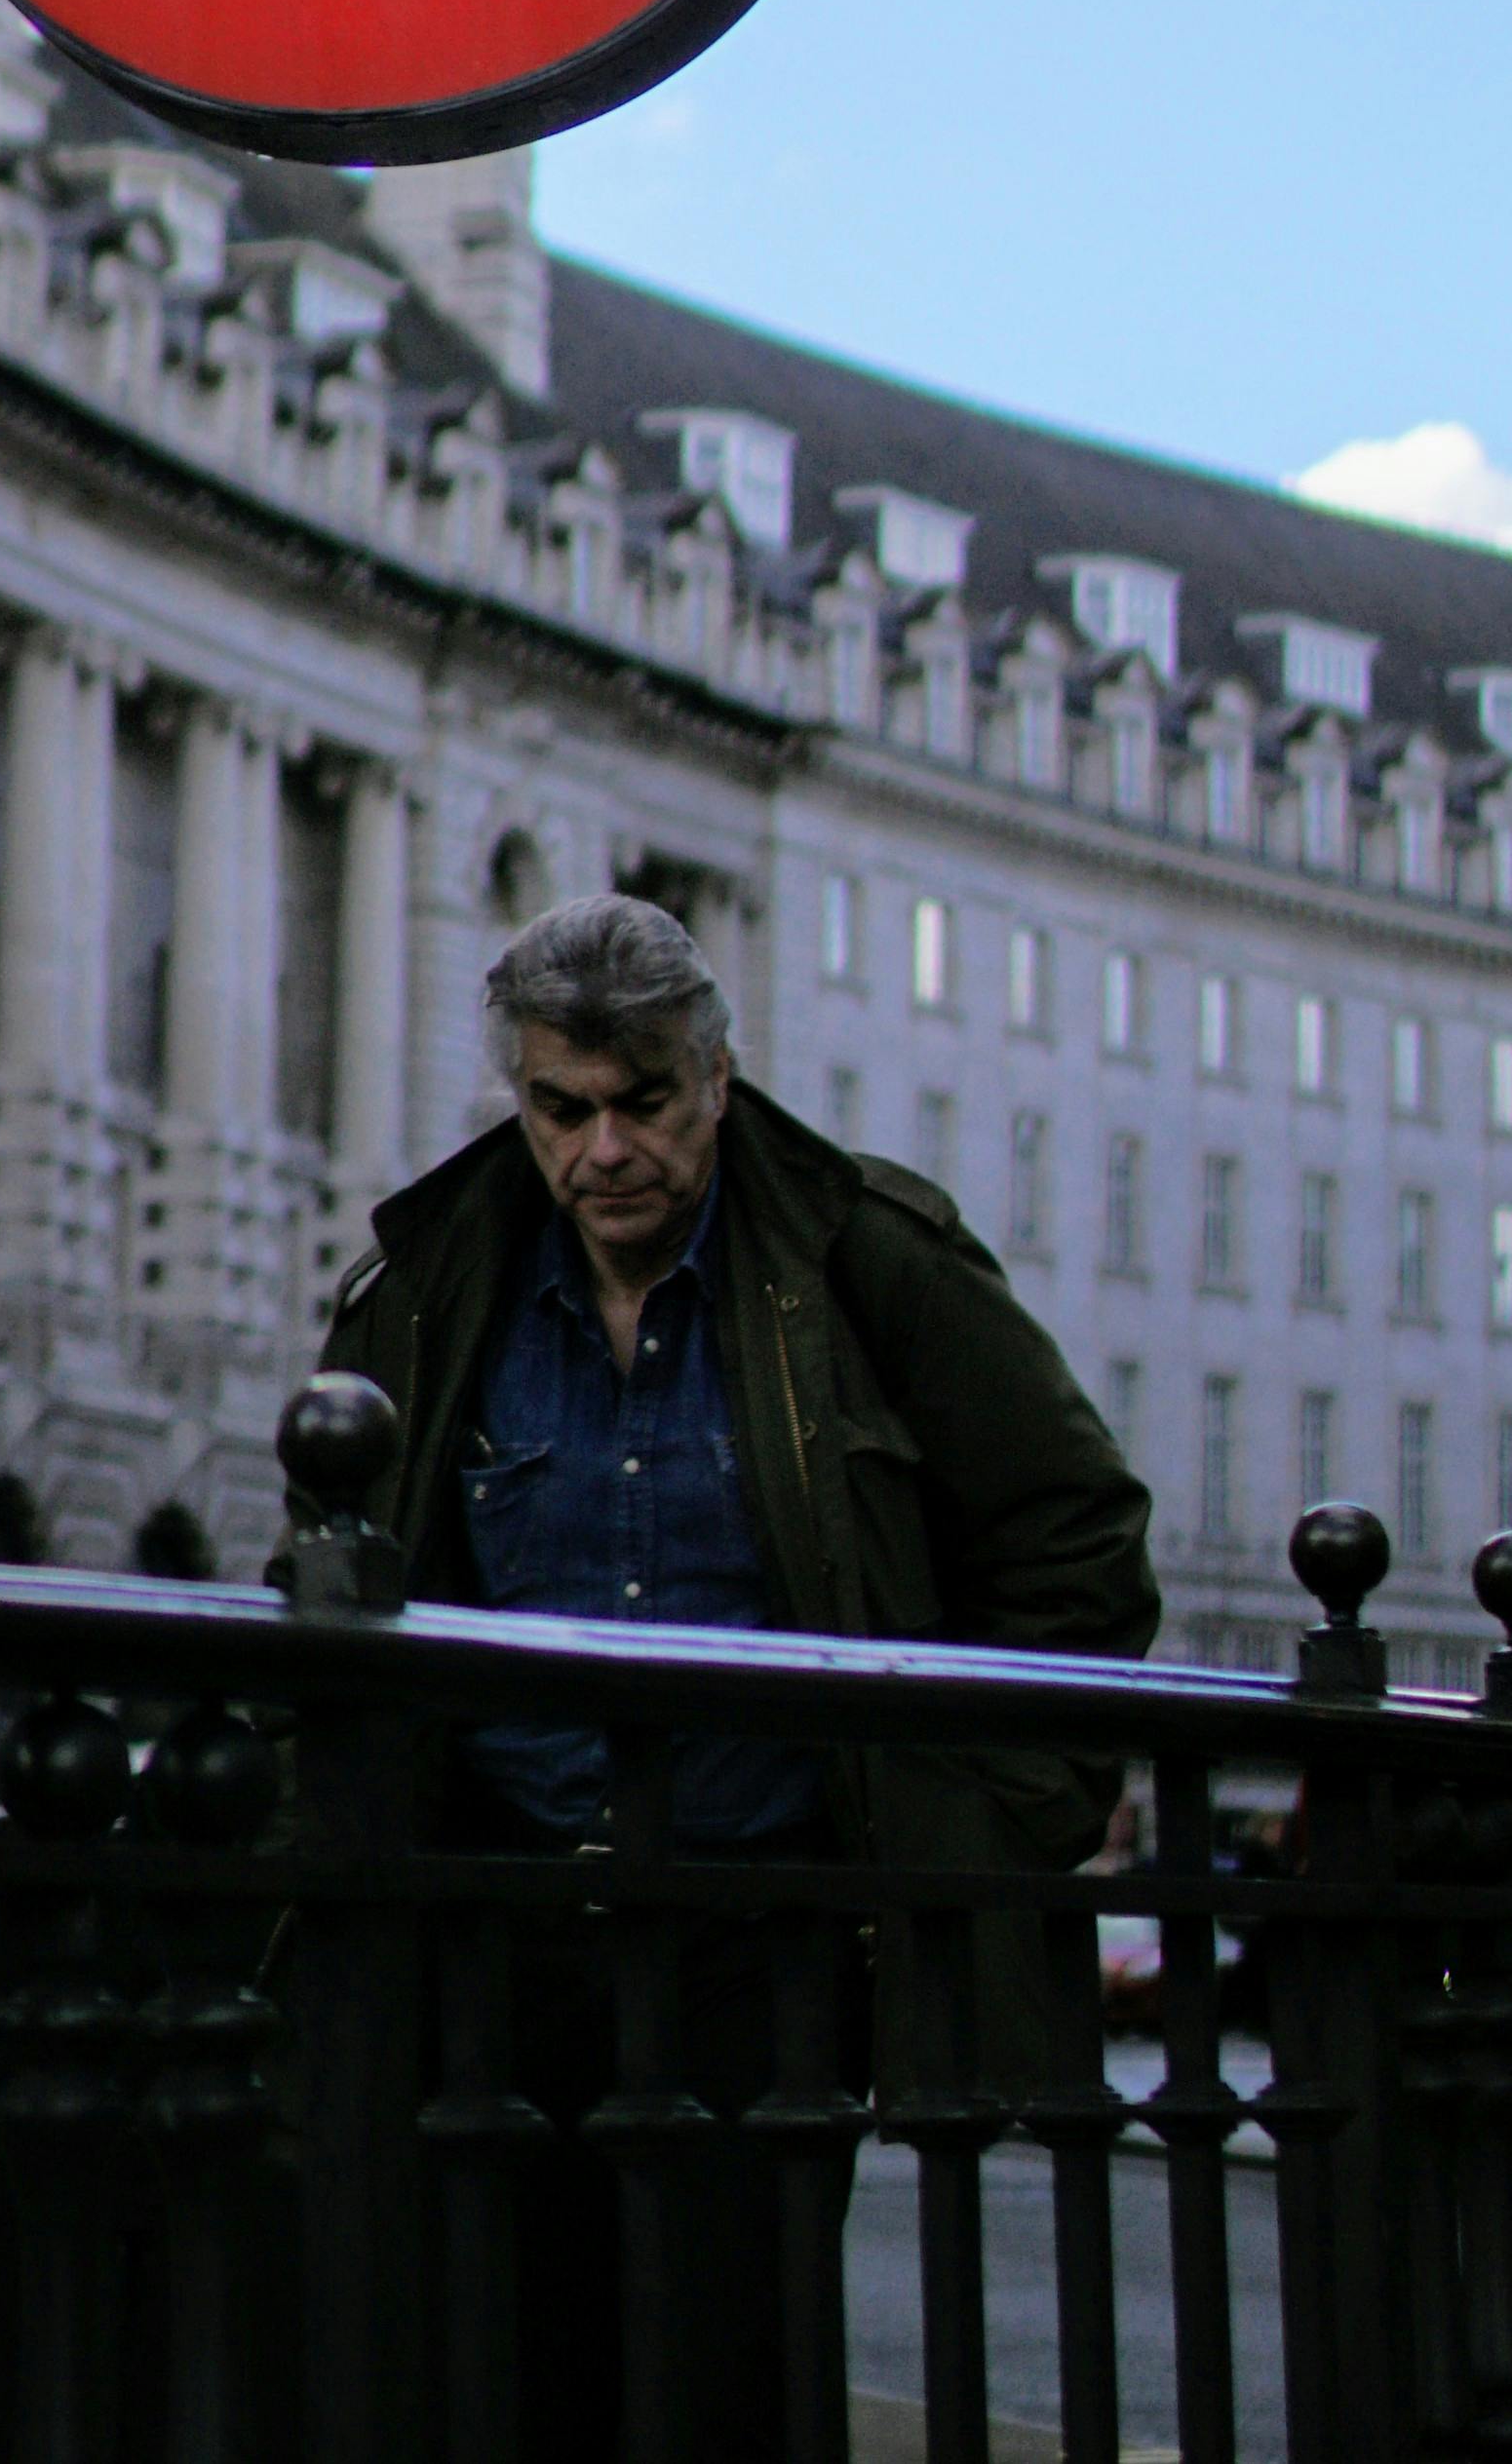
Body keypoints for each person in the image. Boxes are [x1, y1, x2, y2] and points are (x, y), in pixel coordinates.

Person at [317, 895, 1157, 2458]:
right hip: (495, 1928)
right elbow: (332, 1578)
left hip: (757, 1936)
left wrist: (977, 1824)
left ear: (717, 1074)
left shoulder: (865, 1258)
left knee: (730, 2385)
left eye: (642, 1102)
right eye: (561, 1107)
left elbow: (1076, 1537)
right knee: (498, 2377)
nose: (602, 1149)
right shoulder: (429, 1279)